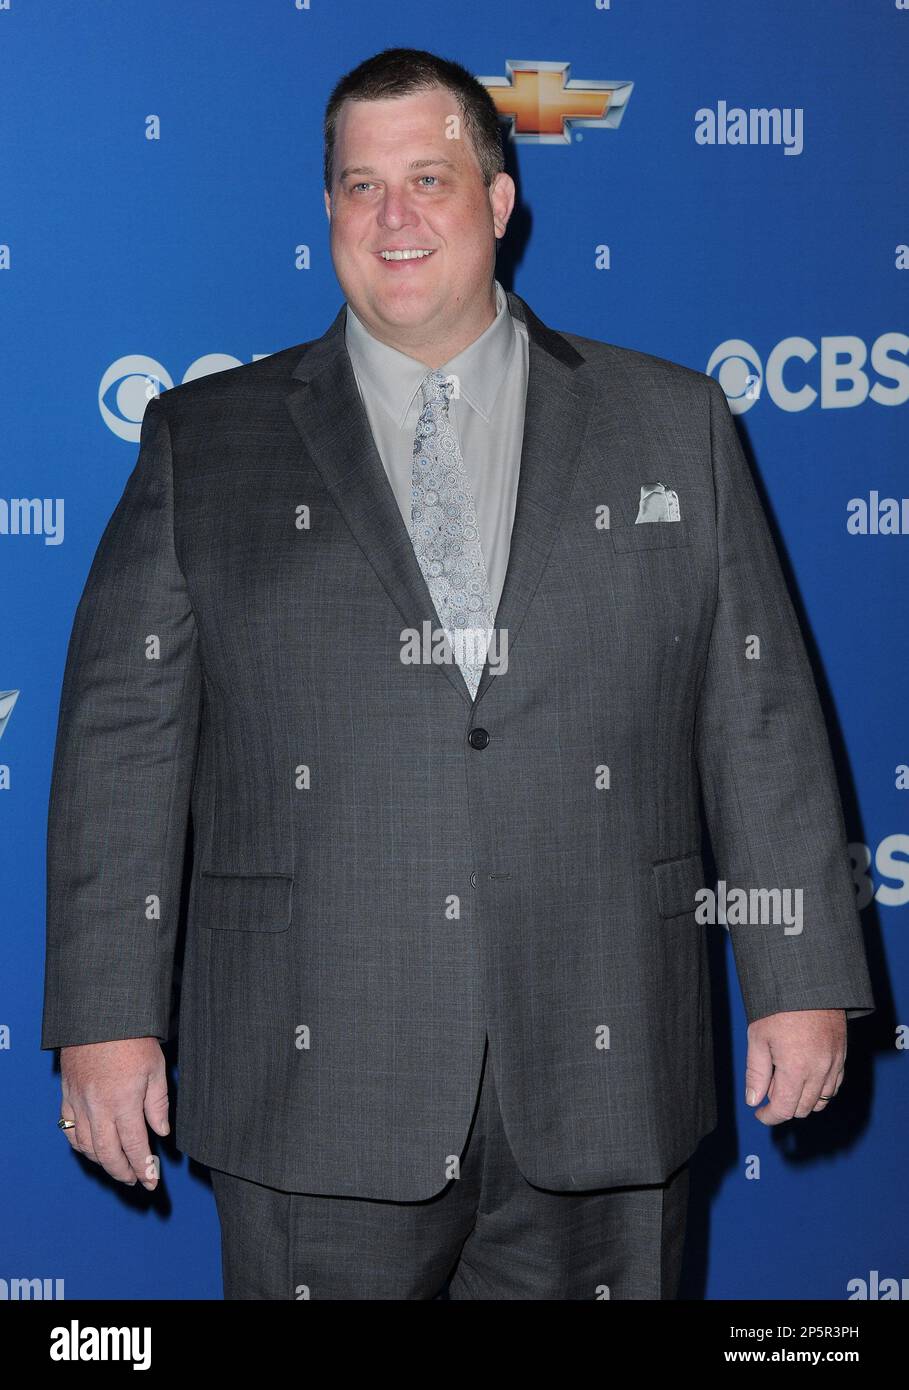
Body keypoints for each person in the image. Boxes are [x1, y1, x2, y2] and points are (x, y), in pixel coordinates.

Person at [42, 47, 875, 1301]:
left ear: (498, 200)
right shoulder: (202, 444)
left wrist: (803, 978)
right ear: (326, 211)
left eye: (428, 178)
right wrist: (105, 1018)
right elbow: (123, 750)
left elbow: (754, 715)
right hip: (313, 1084)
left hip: (608, 1062)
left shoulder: (674, 421)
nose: (394, 217)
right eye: (360, 185)